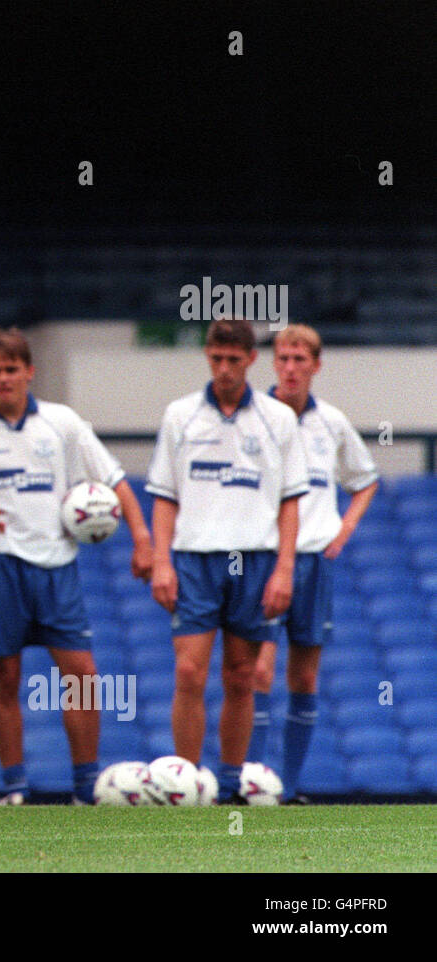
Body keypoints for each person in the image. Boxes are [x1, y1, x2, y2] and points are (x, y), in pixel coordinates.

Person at [0, 328, 152, 805]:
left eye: (11, 369)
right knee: (6, 678)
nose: (3, 378)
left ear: (29, 371)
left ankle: (85, 789)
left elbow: (115, 478)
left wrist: (143, 540)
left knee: (81, 677)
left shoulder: (62, 424)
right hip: (0, 566)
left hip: (58, 567)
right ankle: (15, 788)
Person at [145, 317, 309, 803]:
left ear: (251, 360)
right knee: (189, 672)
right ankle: (187, 784)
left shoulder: (278, 418)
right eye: (216, 358)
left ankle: (233, 784)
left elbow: (290, 502)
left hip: (254, 560)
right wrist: (161, 561)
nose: (224, 368)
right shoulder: (180, 415)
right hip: (194, 558)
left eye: (234, 360)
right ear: (207, 356)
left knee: (241, 675)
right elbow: (165, 496)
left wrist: (284, 569)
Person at [249, 324, 378, 803]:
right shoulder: (254, 418)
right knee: (258, 672)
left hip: (313, 563)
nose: (289, 367)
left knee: (303, 676)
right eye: (282, 358)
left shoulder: (333, 423)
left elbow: (365, 479)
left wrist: (343, 530)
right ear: (273, 363)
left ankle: (289, 787)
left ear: (316, 365)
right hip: (263, 560)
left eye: (300, 359)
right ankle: (252, 781)